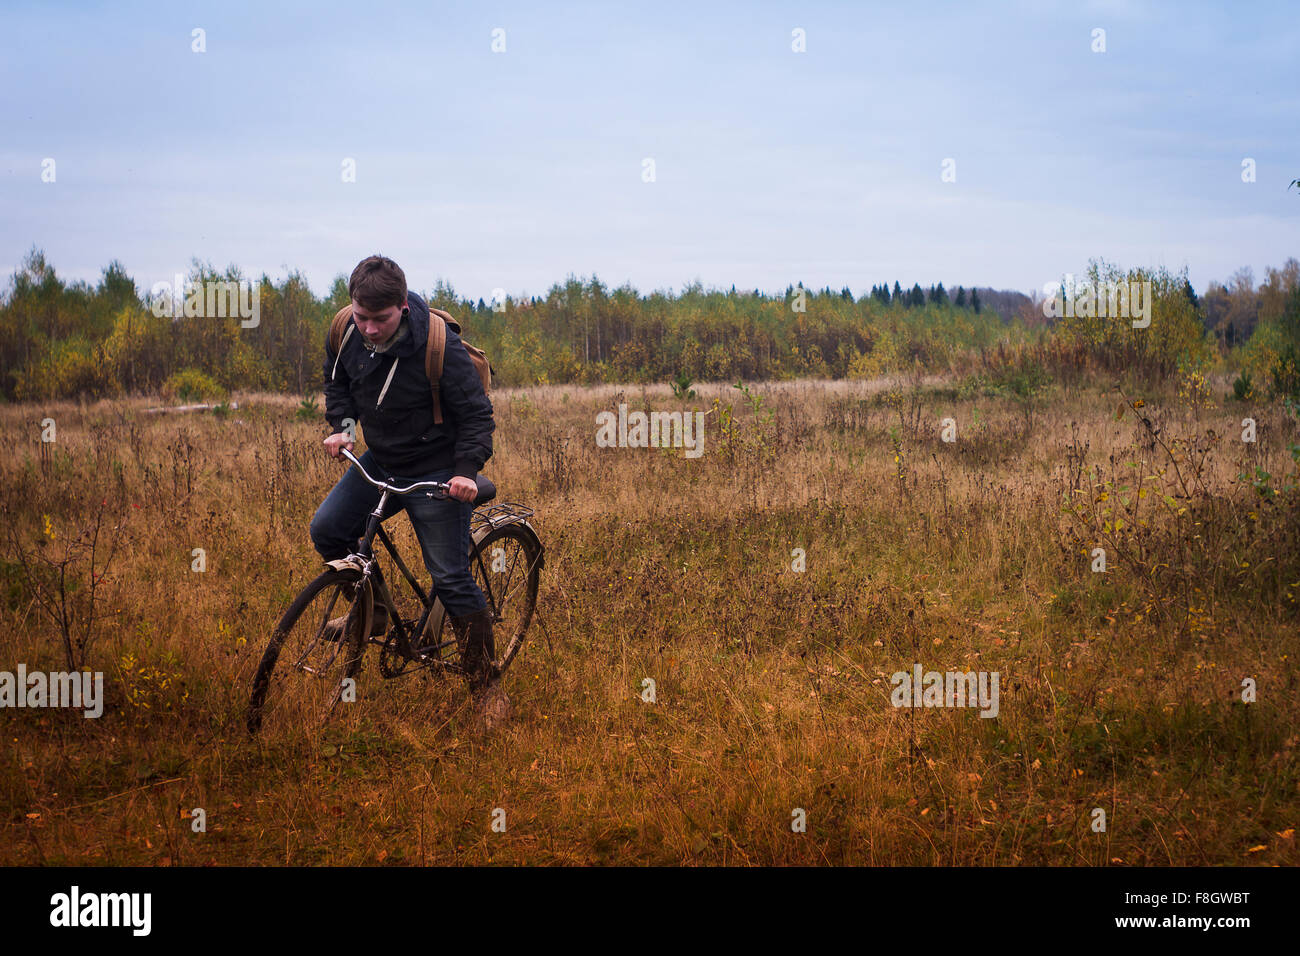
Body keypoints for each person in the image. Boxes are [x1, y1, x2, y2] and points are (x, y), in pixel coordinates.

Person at [309, 254, 507, 728]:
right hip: (383, 458)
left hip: (437, 467)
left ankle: (487, 687)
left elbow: (478, 416)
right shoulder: (345, 333)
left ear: (403, 306)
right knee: (328, 531)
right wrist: (344, 428)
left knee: (450, 578)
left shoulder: (440, 347)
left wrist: (464, 472)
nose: (370, 329)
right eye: (361, 317)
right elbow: (338, 386)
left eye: (380, 319)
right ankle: (372, 614)